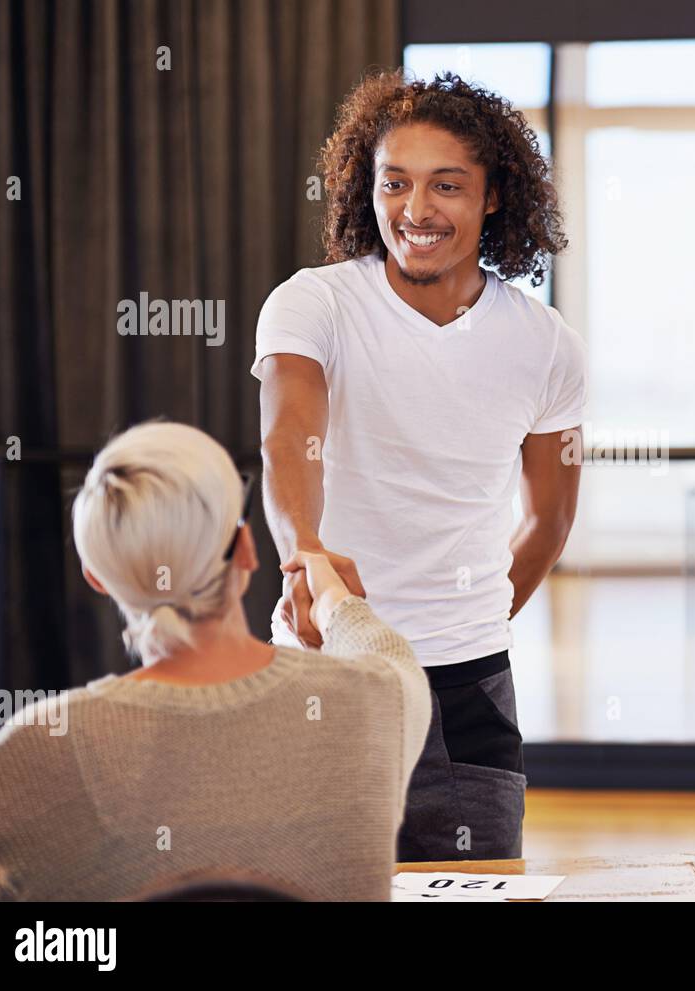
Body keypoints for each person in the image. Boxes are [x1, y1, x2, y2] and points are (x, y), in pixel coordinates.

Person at [253, 71, 586, 862]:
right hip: (324, 668)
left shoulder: (546, 344)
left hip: (468, 686)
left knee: (480, 885)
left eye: (447, 185)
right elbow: (289, 436)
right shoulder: (313, 303)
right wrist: (305, 548)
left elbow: (549, 519)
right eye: (394, 182)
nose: (415, 209)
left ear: (493, 197)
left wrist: (473, 615)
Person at [0, 421, 431, 901]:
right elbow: (388, 654)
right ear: (247, 550)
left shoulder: (37, 750)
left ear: (98, 577)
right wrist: (335, 600)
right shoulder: (380, 700)